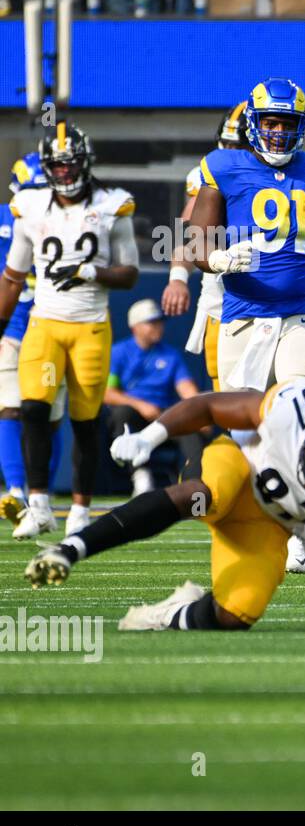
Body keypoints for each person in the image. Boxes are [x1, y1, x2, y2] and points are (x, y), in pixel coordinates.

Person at [25, 384, 305, 635]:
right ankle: (70, 548)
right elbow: (208, 407)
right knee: (205, 496)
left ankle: (168, 614)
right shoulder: (292, 408)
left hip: (272, 524)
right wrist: (151, 435)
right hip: (239, 468)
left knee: (237, 614)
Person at [186, 77, 305, 575]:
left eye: (285, 123)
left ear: (301, 127)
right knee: (242, 425)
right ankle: (252, 517)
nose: (276, 132)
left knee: (302, 414)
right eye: (269, 122)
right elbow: (194, 242)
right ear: (253, 123)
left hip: (302, 312)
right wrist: (220, 258)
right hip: (243, 316)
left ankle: (299, 531)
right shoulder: (223, 169)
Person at [0, 121, 140, 541]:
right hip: (44, 324)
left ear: (85, 162)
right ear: (46, 169)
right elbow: (12, 276)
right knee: (34, 409)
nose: (63, 174)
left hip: (90, 327)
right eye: (56, 168)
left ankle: (80, 508)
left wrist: (89, 271)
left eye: (69, 165)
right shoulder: (30, 206)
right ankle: (38, 504)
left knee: (84, 420)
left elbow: (130, 272)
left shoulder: (113, 205)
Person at [162, 102, 249, 392]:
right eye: (226, 144)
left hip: (274, 301)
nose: (230, 154)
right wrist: (177, 279)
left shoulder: (283, 181)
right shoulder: (205, 178)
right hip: (221, 303)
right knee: (226, 390)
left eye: (239, 147)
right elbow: (189, 236)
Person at [0, 152, 66, 529]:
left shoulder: (75, 217)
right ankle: (16, 490)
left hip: (55, 321)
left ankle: (40, 494)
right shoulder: (9, 221)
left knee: (49, 416)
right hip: (17, 322)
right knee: (10, 406)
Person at [103, 299, 203, 497]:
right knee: (124, 414)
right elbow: (108, 393)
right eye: (151, 322)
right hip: (135, 414)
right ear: (135, 327)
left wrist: (202, 412)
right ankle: (141, 477)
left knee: (191, 428)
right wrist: (140, 406)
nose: (158, 326)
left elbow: (187, 389)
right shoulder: (119, 352)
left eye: (159, 322)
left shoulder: (171, 355)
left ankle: (194, 487)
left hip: (163, 415)